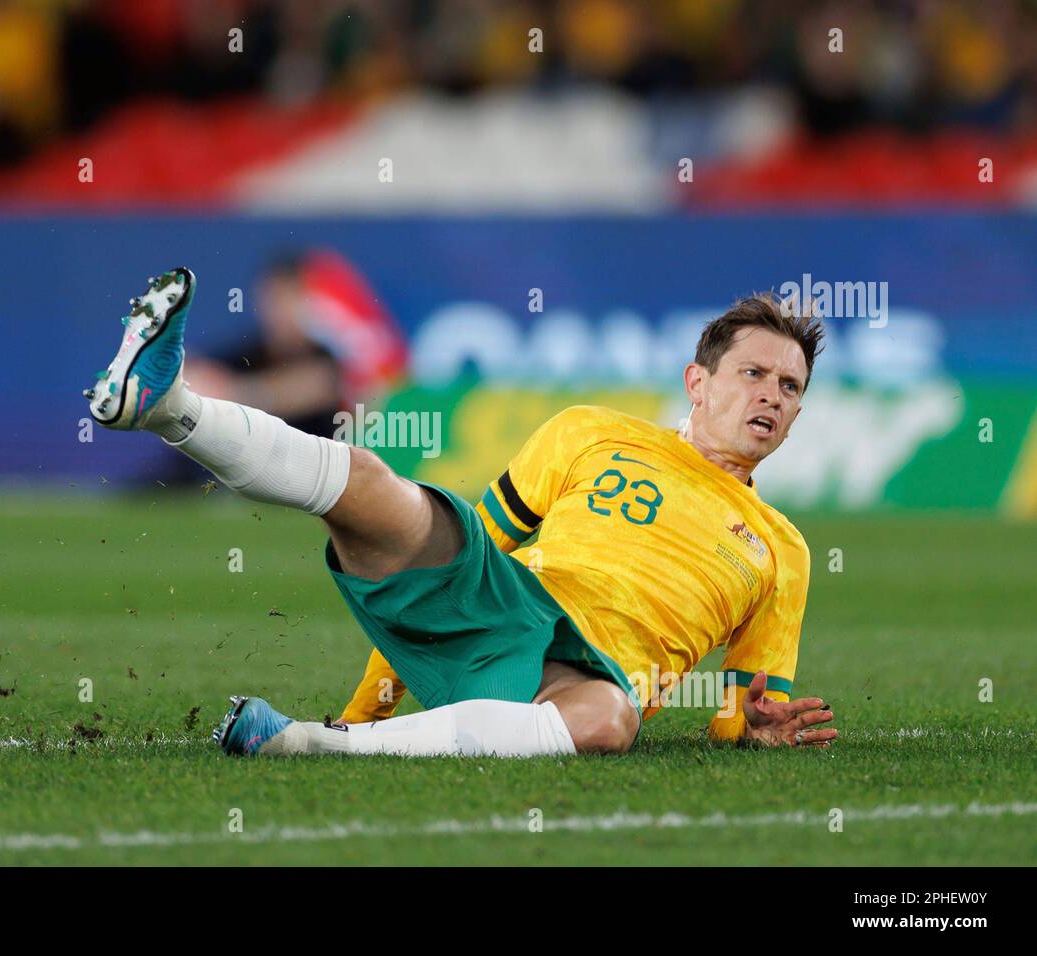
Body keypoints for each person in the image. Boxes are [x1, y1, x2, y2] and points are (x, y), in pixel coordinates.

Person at [85, 267, 836, 758]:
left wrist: (753, 728)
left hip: (573, 679)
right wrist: (369, 703)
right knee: (377, 486)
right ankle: (167, 404)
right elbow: (475, 544)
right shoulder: (590, 432)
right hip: (501, 601)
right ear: (697, 383)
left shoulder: (783, 550)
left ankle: (302, 743)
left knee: (609, 722)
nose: (772, 394)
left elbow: (739, 713)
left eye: (791, 387)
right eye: (754, 373)